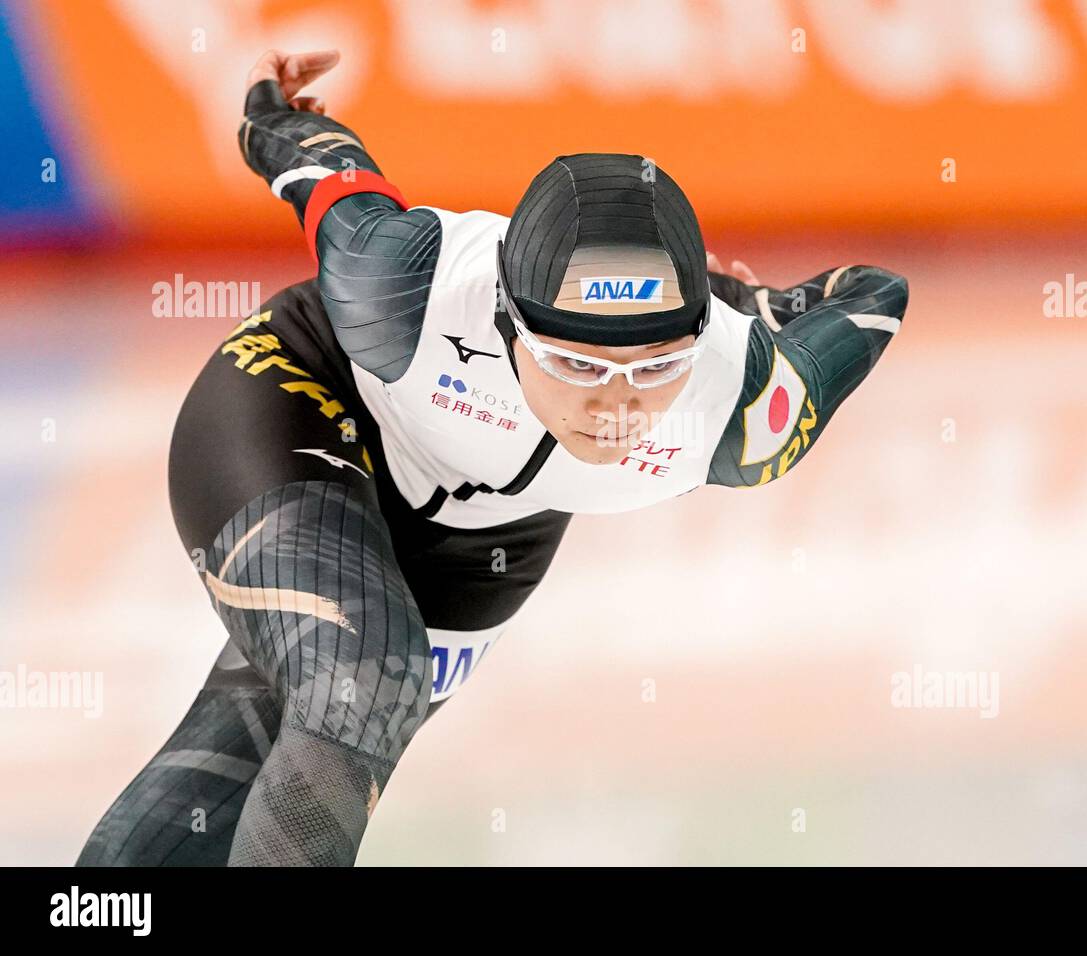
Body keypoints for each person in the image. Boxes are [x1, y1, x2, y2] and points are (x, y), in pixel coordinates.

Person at [76, 49, 909, 866]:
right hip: (304, 404)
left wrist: (756, 306)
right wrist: (270, 114)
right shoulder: (404, 284)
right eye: (576, 363)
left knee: (271, 744)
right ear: (505, 326)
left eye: (656, 368)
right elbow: (324, 175)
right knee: (361, 680)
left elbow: (875, 292)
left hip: (489, 539)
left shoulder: (743, 409)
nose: (617, 405)